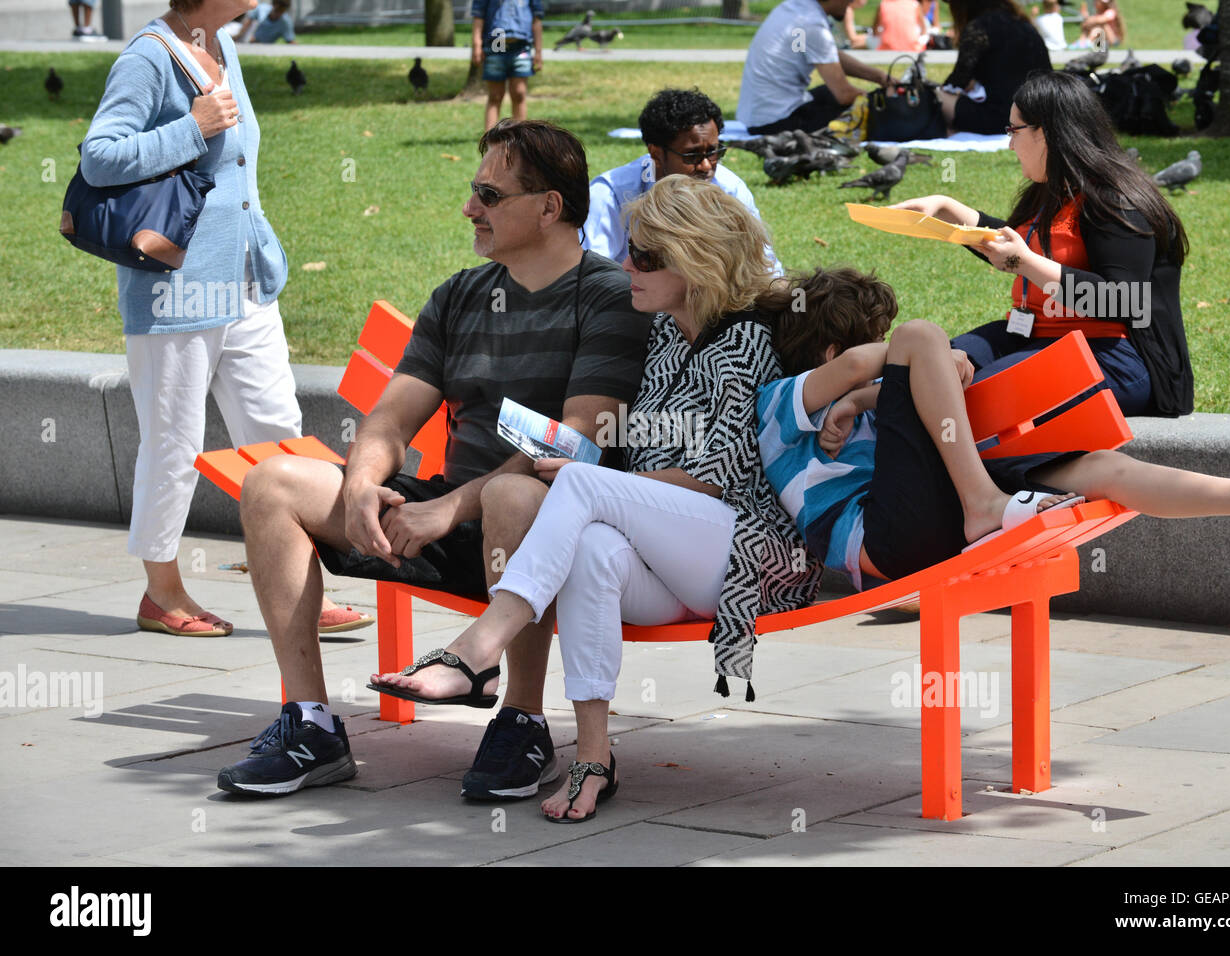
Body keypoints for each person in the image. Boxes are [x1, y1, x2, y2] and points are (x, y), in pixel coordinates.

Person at [215, 120, 649, 796]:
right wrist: (363, 485)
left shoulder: (607, 297)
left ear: (548, 207)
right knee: (272, 483)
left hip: (557, 536)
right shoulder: (460, 296)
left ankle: (524, 723)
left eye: (487, 193)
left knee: (518, 496)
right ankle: (311, 725)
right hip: (448, 521)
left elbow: (574, 442)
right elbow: (392, 416)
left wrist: (449, 508)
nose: (469, 208)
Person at [368, 176, 822, 822]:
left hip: (747, 556)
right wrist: (584, 466)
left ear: (697, 262)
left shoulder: (745, 342)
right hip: (677, 552)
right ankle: (592, 757)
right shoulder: (664, 336)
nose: (627, 263)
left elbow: (715, 477)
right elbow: (638, 458)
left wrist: (593, 482)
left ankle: (478, 650)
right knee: (593, 549)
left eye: (648, 255)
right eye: (630, 247)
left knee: (583, 488)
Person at [80, 0, 366, 640]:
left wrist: (261, 247)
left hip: (244, 286)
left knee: (279, 433)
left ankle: (303, 589)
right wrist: (191, 126)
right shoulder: (150, 57)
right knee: (174, 442)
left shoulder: (224, 43)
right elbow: (99, 158)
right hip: (176, 290)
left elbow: (239, 168)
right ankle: (162, 592)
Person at [757, 270, 1230, 599]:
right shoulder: (779, 405)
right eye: (875, 340)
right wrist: (915, 361)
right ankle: (984, 504)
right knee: (921, 334)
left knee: (1100, 470)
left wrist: (867, 395)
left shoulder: (856, 406)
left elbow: (877, 386)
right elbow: (861, 362)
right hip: (888, 541)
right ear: (827, 354)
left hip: (927, 514)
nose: (885, 357)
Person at [895, 71, 1194, 418]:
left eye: (1013, 130)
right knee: (925, 368)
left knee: (965, 394)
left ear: (1048, 132)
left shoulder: (1114, 201)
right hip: (1034, 335)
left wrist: (1023, 263)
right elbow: (1019, 240)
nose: (1009, 144)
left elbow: (1123, 301)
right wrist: (948, 210)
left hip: (1112, 357)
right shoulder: (1055, 186)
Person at [583, 88, 782, 273]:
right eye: (692, 155)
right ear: (656, 153)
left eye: (713, 152)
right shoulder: (611, 195)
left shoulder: (729, 189)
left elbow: (764, 266)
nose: (706, 166)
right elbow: (592, 276)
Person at [737, 0, 891, 135]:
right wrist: (885, 101)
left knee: (827, 93)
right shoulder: (811, 24)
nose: (851, 2)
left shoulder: (794, 9)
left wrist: (881, 77)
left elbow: (829, 54)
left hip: (757, 118)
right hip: (776, 124)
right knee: (863, 114)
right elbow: (844, 95)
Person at [937, 0, 1051, 135]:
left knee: (937, 96)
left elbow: (958, 80)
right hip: (1039, 115)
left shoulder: (979, 28)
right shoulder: (1024, 24)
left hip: (1002, 119)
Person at [471, 0, 544, 132]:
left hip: (521, 46)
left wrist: (538, 51)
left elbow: (537, 20)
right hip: (496, 43)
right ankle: (489, 141)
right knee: (495, 95)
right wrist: (476, 45)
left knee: (519, 93)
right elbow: (478, 17)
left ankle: (521, 139)